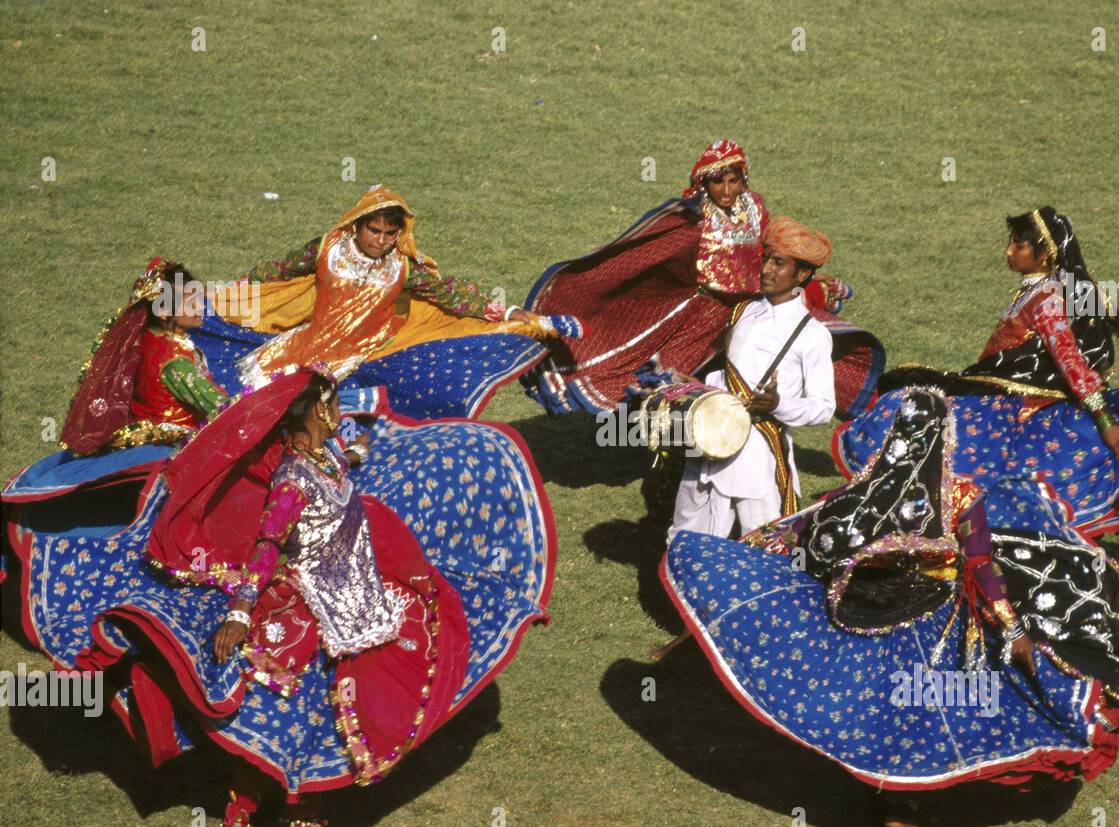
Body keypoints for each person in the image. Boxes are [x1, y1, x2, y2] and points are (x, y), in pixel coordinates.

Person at [5, 367, 557, 827]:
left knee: (329, 720)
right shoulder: (291, 479)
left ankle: (297, 824)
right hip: (311, 609)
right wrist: (241, 615)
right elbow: (268, 545)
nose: (340, 410)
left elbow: (346, 480)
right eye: (335, 402)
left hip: (357, 597)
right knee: (289, 727)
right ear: (318, 410)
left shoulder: (328, 453)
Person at [662, 387, 1119, 827]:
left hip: (869, 615)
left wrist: (760, 555)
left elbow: (807, 530)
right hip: (930, 622)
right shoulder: (958, 496)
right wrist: (1013, 630)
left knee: (878, 708)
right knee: (918, 714)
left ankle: (892, 804)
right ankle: (899, 806)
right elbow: (982, 566)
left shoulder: (873, 489)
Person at [835, 207, 1119, 537]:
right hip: (999, 392)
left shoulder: (1049, 298)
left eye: (1018, 245)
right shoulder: (1033, 291)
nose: (1008, 252)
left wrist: (1104, 419)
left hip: (1019, 404)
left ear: (1044, 253)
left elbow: (1070, 361)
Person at [522, 141, 872, 416]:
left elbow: (768, 249)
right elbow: (648, 250)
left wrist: (806, 277)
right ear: (703, 182)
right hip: (697, 313)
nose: (727, 189)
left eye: (734, 180)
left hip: (748, 306)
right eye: (718, 181)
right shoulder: (694, 220)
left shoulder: (754, 209)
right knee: (664, 377)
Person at [195, 185, 581, 418]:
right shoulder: (326, 249)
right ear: (357, 225)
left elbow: (455, 294)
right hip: (300, 349)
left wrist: (514, 313)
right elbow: (279, 270)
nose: (380, 239)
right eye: (374, 230)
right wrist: (228, 293)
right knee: (242, 404)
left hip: (358, 362)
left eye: (389, 233)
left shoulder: (403, 268)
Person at [670, 216, 838, 538]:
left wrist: (778, 404)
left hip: (759, 457)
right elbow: (728, 372)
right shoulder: (743, 311)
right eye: (765, 259)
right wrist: (698, 387)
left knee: (762, 546)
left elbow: (823, 407)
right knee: (687, 536)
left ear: (802, 274)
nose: (765, 270)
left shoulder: (812, 335)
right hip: (709, 443)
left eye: (779, 263)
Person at [61, 256, 226, 455]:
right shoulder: (175, 361)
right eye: (191, 303)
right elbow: (217, 405)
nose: (200, 307)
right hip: (171, 442)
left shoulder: (149, 335)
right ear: (164, 311)